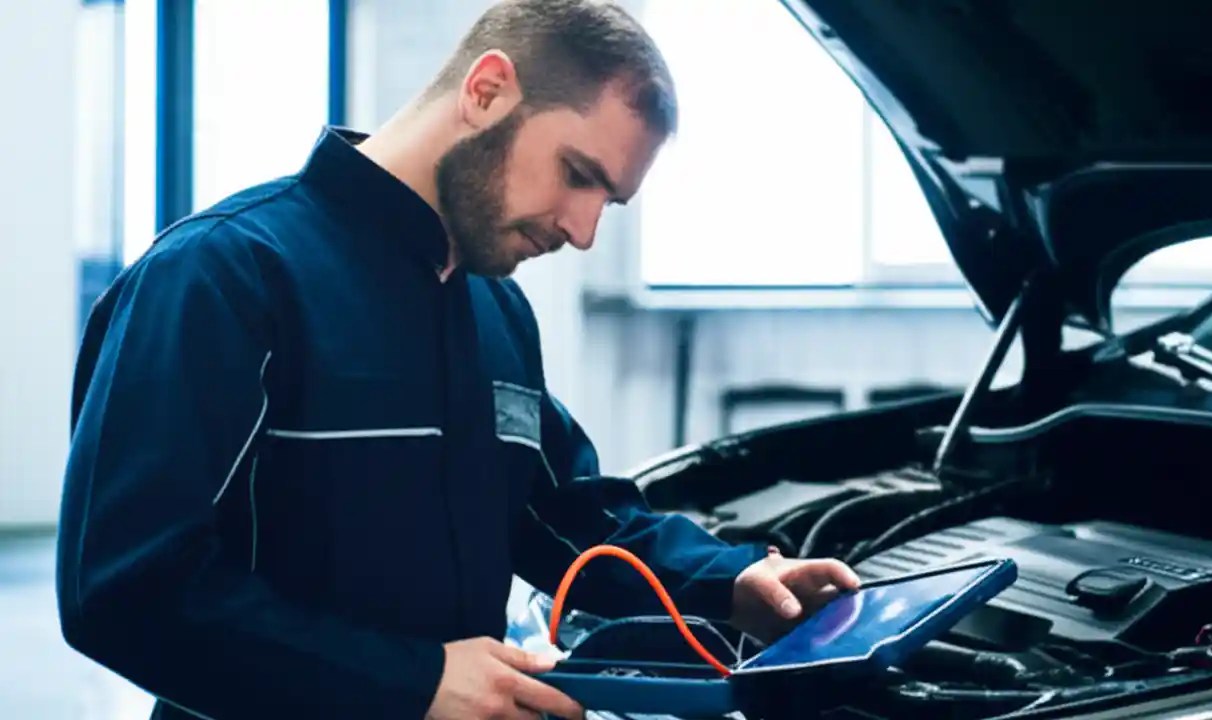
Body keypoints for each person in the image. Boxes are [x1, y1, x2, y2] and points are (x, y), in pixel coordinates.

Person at [56, 1, 860, 718]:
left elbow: (563, 511)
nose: (582, 232)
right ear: (487, 91)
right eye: (577, 176)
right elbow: (125, 592)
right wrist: (411, 684)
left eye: (607, 202)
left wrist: (730, 581)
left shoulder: (495, 310)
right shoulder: (219, 278)